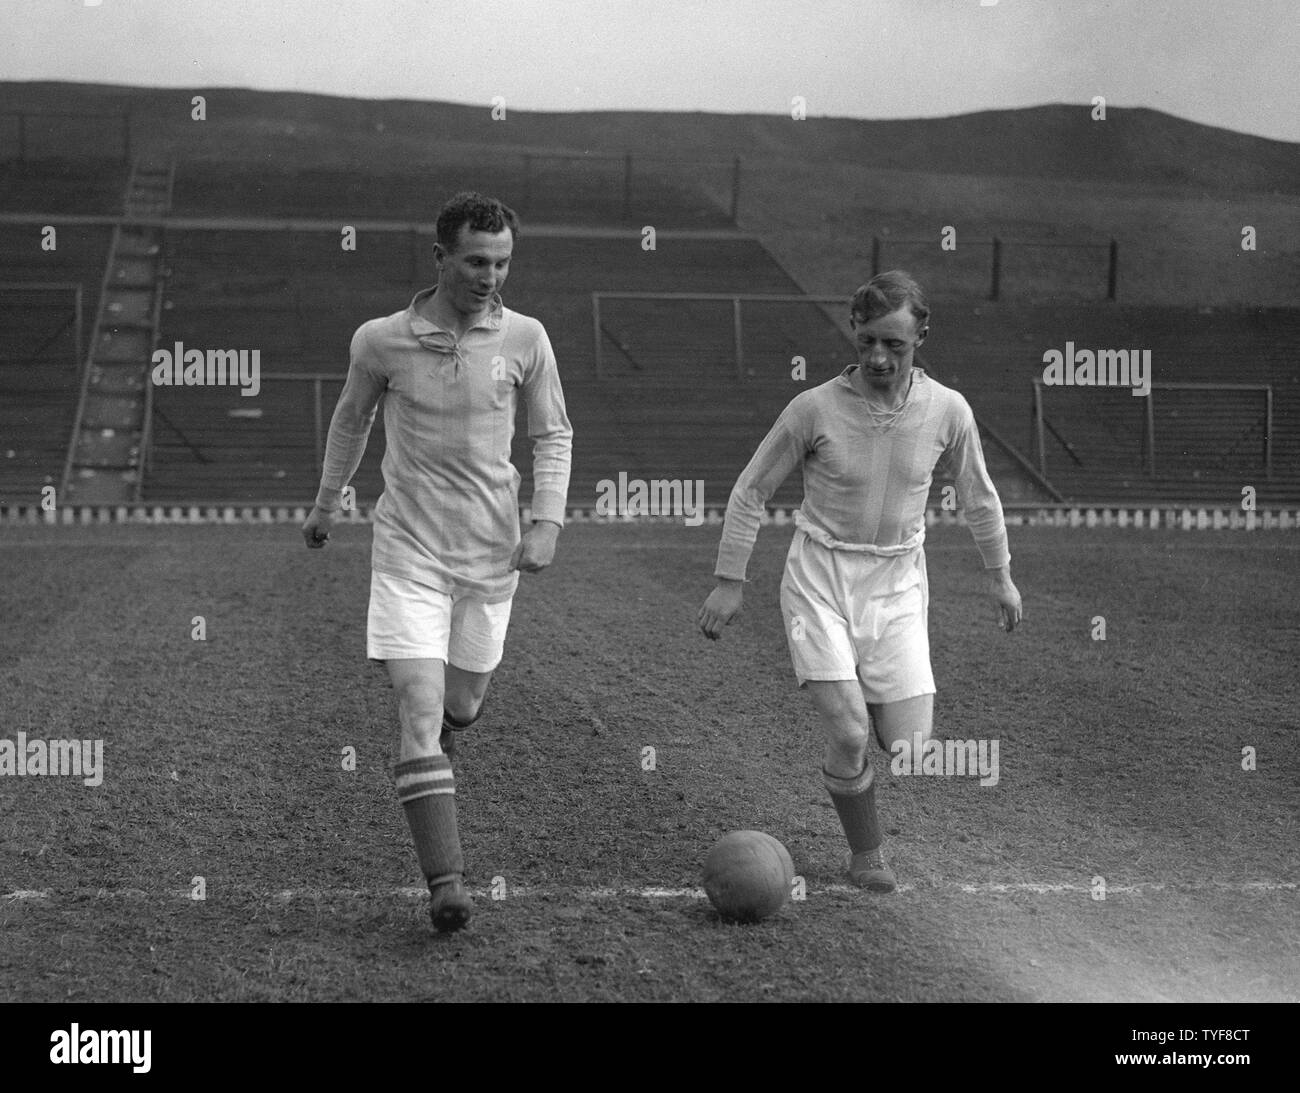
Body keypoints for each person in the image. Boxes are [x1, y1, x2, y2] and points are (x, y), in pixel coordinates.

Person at [697, 270, 1021, 892]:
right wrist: (729, 581)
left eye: (894, 345)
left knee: (910, 752)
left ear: (921, 337)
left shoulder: (948, 410)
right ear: (853, 329)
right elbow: (750, 491)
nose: (878, 356)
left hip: (899, 584)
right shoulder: (813, 408)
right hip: (819, 577)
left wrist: (1000, 577)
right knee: (847, 732)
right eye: (868, 340)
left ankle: (871, 692)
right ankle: (867, 855)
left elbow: (979, 497)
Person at [302, 191, 572, 931]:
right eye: (478, 261)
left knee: (464, 704)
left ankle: (445, 738)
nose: (491, 276)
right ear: (441, 258)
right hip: (407, 553)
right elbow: (351, 420)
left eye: (503, 262)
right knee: (418, 708)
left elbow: (554, 435)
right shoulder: (380, 340)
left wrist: (546, 522)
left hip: (491, 559)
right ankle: (447, 883)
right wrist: (328, 504)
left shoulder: (527, 338)